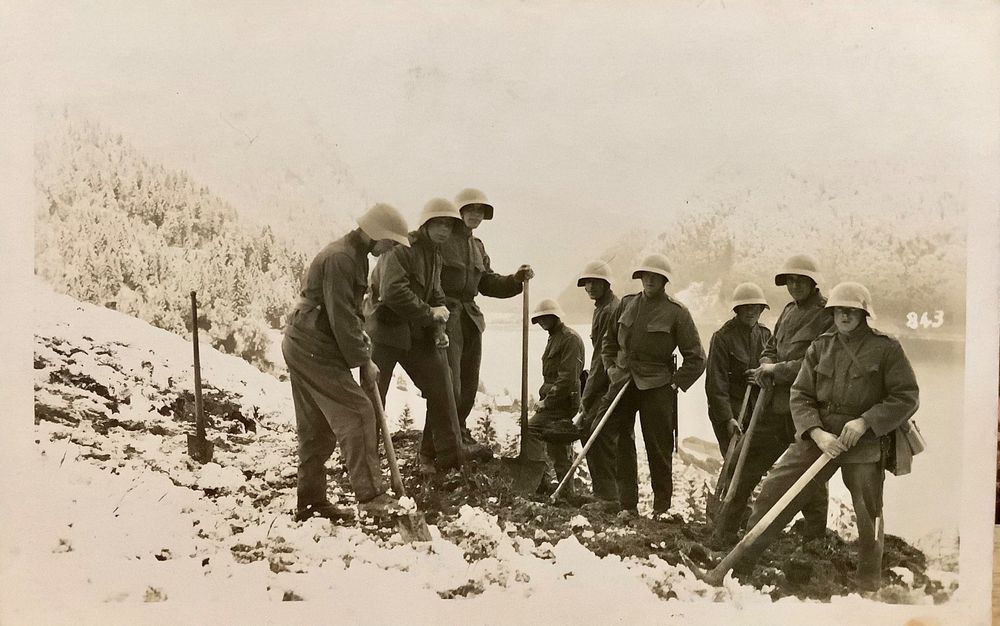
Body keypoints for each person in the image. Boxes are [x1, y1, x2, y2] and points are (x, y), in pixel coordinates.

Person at [723, 282, 919, 591]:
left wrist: (865, 422)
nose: (844, 316)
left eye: (851, 311)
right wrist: (815, 432)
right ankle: (741, 565)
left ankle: (868, 583)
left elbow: (906, 397)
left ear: (864, 314)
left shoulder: (886, 349)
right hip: (821, 435)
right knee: (774, 490)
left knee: (869, 511)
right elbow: (800, 394)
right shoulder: (821, 346)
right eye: (839, 311)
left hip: (863, 440)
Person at [282, 203, 410, 521]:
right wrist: (364, 361)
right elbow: (341, 318)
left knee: (317, 428)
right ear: (376, 234)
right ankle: (372, 497)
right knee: (359, 411)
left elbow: (352, 316)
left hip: (307, 343)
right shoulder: (341, 258)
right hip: (313, 345)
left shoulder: (355, 257)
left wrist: (362, 351)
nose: (391, 248)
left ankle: (311, 502)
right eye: (391, 242)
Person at [711, 254, 833, 546]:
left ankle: (815, 538)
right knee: (744, 460)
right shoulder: (789, 311)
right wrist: (767, 364)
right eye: (789, 281)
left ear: (812, 282)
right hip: (775, 406)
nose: (793, 286)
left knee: (809, 476)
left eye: (799, 280)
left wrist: (775, 370)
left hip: (807, 410)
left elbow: (816, 363)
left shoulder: (828, 314)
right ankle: (725, 532)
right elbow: (771, 347)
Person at [588, 253, 707, 521]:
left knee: (658, 446)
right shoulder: (627, 304)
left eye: (655, 277)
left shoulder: (677, 312)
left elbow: (697, 358)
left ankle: (661, 509)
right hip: (622, 382)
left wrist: (674, 384)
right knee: (613, 435)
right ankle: (626, 504)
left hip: (657, 387)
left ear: (665, 280)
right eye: (646, 276)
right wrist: (610, 369)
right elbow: (608, 343)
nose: (650, 281)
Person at [367, 198, 465, 474]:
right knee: (374, 398)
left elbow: (436, 295)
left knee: (441, 386)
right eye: (440, 224)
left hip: (415, 333)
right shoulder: (402, 248)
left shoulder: (435, 254)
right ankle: (365, 464)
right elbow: (392, 292)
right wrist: (429, 315)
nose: (445, 230)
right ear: (426, 224)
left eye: (449, 226)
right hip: (385, 332)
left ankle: (443, 460)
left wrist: (438, 330)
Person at [440, 188, 533, 457]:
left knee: (469, 382)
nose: (475, 215)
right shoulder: (443, 242)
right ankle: (445, 440)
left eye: (480, 211)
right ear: (459, 212)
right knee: (450, 382)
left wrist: (515, 280)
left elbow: (488, 283)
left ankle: (459, 431)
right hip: (447, 317)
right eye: (470, 209)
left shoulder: (478, 247)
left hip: (471, 319)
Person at [574, 260, 633, 507]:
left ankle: (609, 496)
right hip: (609, 380)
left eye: (594, 282)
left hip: (612, 382)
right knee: (605, 435)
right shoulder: (602, 308)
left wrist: (586, 397)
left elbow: (602, 356)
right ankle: (612, 495)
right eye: (586, 283)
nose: (589, 287)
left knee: (596, 432)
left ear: (606, 284)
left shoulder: (610, 309)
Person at [524, 298, 586, 498]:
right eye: (539, 319)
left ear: (554, 316)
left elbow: (567, 379)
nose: (541, 322)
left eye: (545, 318)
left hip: (562, 402)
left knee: (532, 430)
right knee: (557, 444)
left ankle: (539, 479)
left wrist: (546, 402)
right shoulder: (554, 337)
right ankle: (564, 491)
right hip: (555, 400)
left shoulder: (570, 339)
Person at [705, 283, 772, 456]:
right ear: (738, 310)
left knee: (753, 462)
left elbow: (773, 369)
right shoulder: (722, 338)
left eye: (755, 308)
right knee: (732, 459)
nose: (751, 312)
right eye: (746, 308)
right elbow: (716, 384)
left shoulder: (765, 334)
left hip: (756, 407)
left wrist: (761, 375)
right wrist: (728, 419)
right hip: (731, 409)